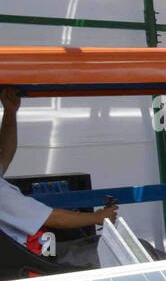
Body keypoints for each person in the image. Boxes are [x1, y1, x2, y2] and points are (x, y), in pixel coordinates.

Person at [0, 88, 117, 268]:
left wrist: (10, 112)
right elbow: (53, 218)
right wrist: (97, 217)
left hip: (36, 252)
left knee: (103, 244)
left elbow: (5, 154)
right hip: (38, 260)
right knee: (115, 254)